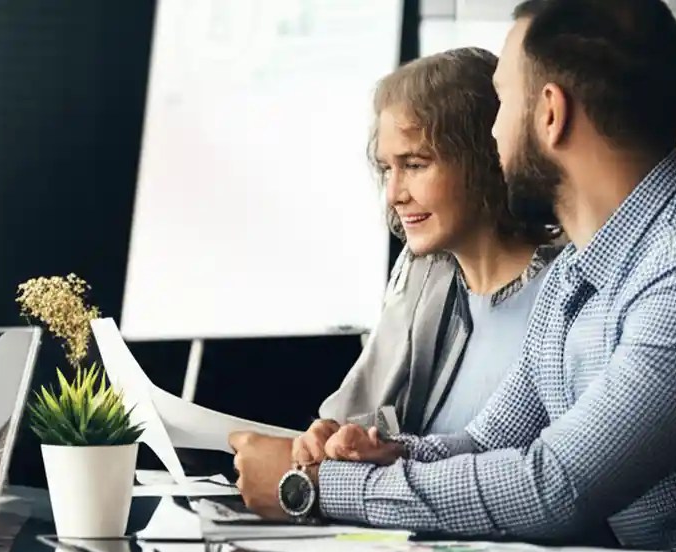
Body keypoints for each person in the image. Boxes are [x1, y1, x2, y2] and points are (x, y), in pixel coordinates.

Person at [260, 0, 676, 552]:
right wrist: (381, 455)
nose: (491, 132)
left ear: (549, 113)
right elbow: (488, 443)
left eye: (502, 101)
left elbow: (555, 484)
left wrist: (316, 490)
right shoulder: (573, 276)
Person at [230, 47, 558, 492]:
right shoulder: (424, 273)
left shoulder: (567, 288)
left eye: (416, 165)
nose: (394, 195)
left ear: (487, 156)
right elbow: (364, 416)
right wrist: (332, 438)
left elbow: (541, 481)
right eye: (388, 169)